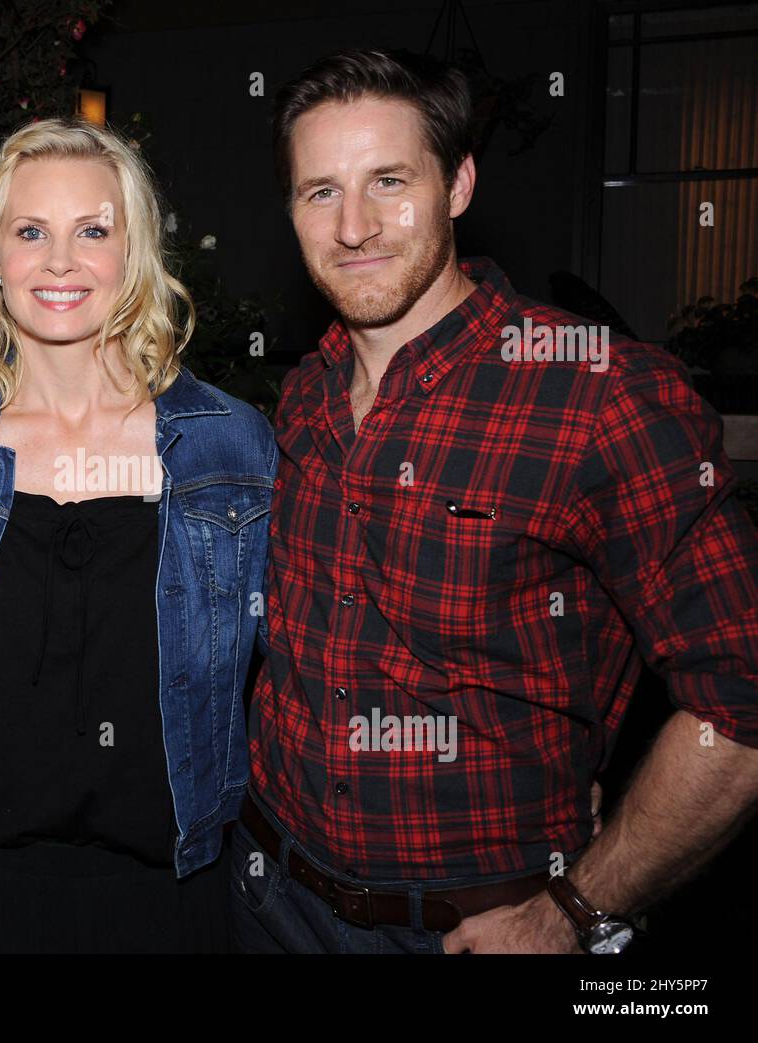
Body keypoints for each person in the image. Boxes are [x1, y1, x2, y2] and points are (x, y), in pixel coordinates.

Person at [232, 48, 758, 954]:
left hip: (479, 928)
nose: (353, 226)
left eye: (388, 181)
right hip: (269, 899)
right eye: (320, 192)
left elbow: (742, 704)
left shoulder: (601, 395)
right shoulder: (304, 396)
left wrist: (579, 910)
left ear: (459, 183)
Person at [0, 117, 276, 953]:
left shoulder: (228, 445)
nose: (60, 261)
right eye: (30, 232)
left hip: (172, 895)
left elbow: (294, 661)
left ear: (133, 256)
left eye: (93, 231)